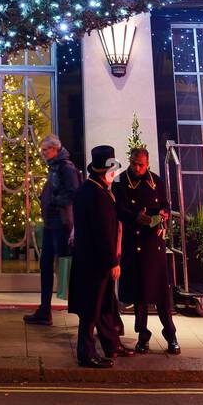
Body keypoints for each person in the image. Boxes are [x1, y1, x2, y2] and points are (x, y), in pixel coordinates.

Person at [68, 145, 130, 368]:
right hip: (95, 262)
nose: (114, 176)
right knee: (91, 310)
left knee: (103, 307)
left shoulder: (95, 190)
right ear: (104, 171)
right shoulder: (96, 194)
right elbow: (103, 231)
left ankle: (111, 345)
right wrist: (113, 262)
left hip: (91, 260)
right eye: (112, 171)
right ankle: (86, 354)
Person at [116, 145, 180, 355]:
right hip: (134, 243)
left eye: (141, 165)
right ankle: (142, 336)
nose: (136, 168)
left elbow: (166, 204)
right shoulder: (123, 182)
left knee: (161, 293)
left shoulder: (157, 181)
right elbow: (120, 210)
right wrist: (136, 217)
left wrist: (164, 214)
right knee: (139, 295)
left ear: (148, 164)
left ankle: (170, 334)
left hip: (154, 242)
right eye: (134, 163)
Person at [24, 133, 80, 327]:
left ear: (55, 148)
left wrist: (54, 202)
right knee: (46, 264)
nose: (42, 153)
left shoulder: (66, 167)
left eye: (45, 149)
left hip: (61, 223)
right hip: (51, 223)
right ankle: (44, 309)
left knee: (65, 266)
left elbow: (73, 192)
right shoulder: (56, 166)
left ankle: (84, 310)